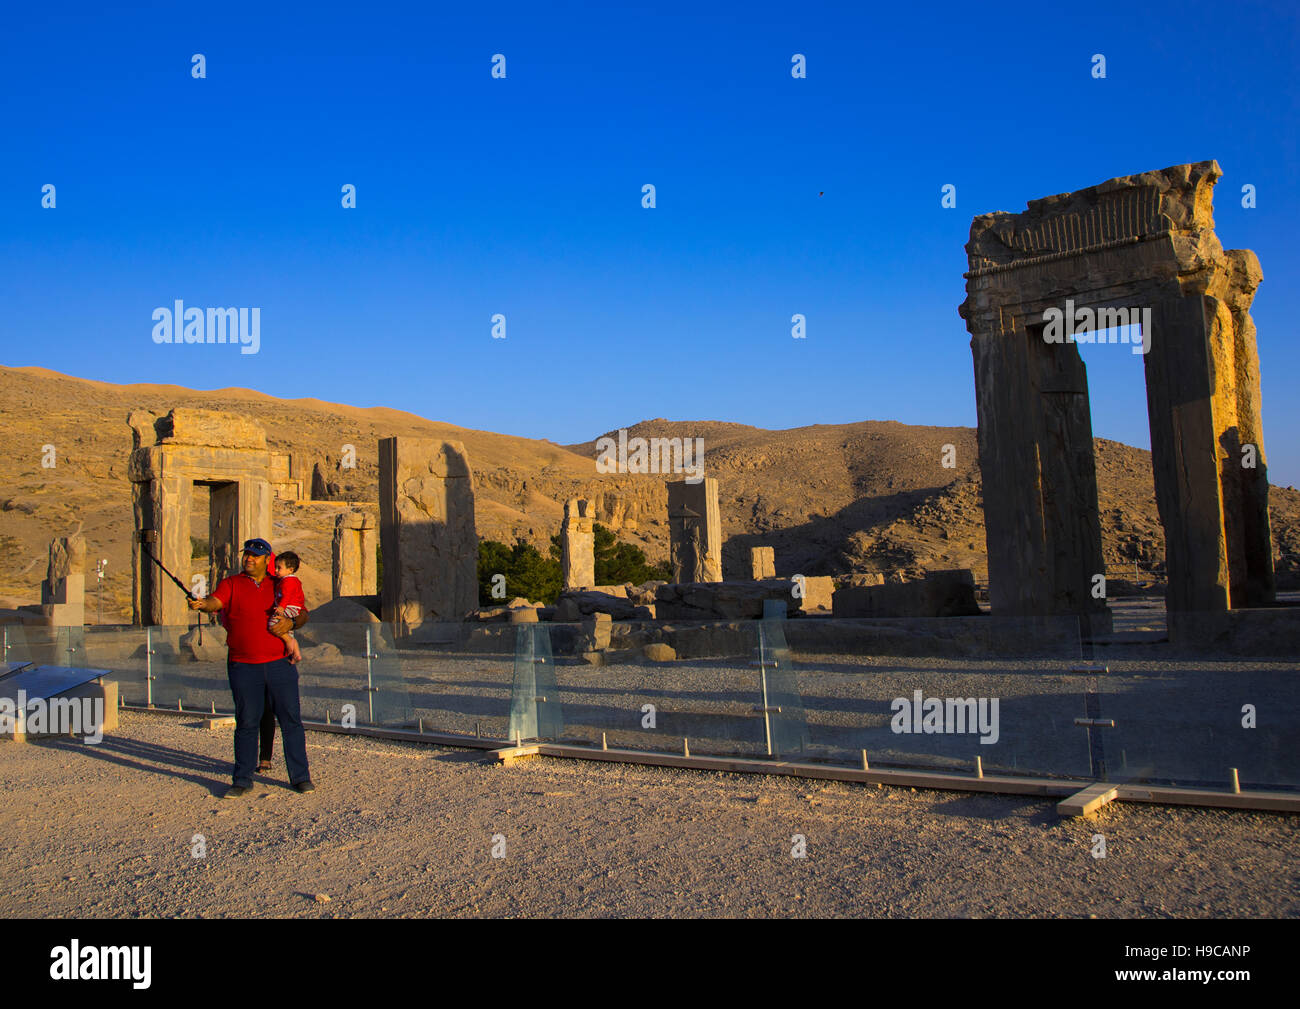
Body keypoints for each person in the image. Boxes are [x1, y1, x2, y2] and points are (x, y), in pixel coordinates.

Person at [189, 538, 315, 797]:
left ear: (267, 559)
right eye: (247, 554)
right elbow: (216, 602)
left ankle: (300, 777)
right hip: (243, 665)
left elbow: (302, 614)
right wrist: (202, 604)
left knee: (291, 720)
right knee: (246, 722)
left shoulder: (281, 583)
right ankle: (242, 778)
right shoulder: (231, 584)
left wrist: (291, 626)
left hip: (279, 663)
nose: (249, 558)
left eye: (256, 555)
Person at [257, 550, 306, 770]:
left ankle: (298, 773)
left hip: (276, 659)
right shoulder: (275, 580)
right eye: (274, 567)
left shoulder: (284, 582)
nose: (276, 571)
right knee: (259, 714)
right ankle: (260, 760)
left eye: (279, 567)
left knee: (288, 715)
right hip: (254, 659)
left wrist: (289, 618)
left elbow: (302, 612)